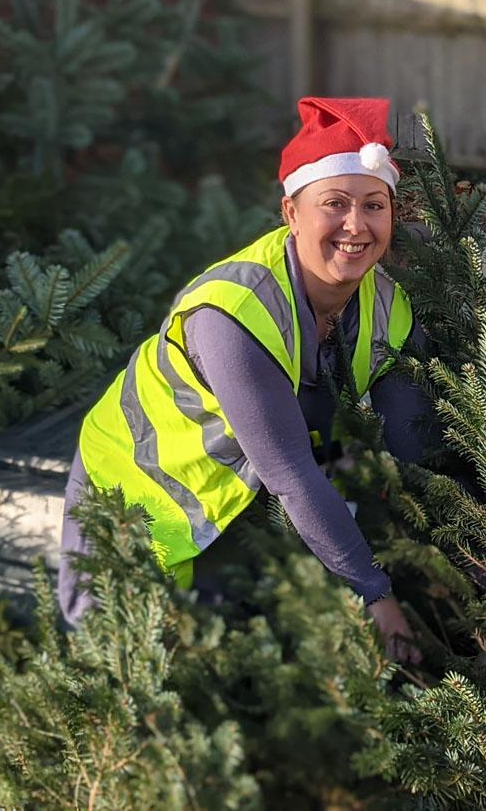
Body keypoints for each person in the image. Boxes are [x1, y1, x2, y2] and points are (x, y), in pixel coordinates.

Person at [58, 97, 430, 663]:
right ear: (291, 213)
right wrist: (378, 596)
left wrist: (458, 562)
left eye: (374, 206)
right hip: (135, 492)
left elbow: (418, 445)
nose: (356, 226)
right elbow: (292, 475)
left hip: (242, 494)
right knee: (124, 670)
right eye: (335, 203)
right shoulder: (232, 315)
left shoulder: (386, 306)